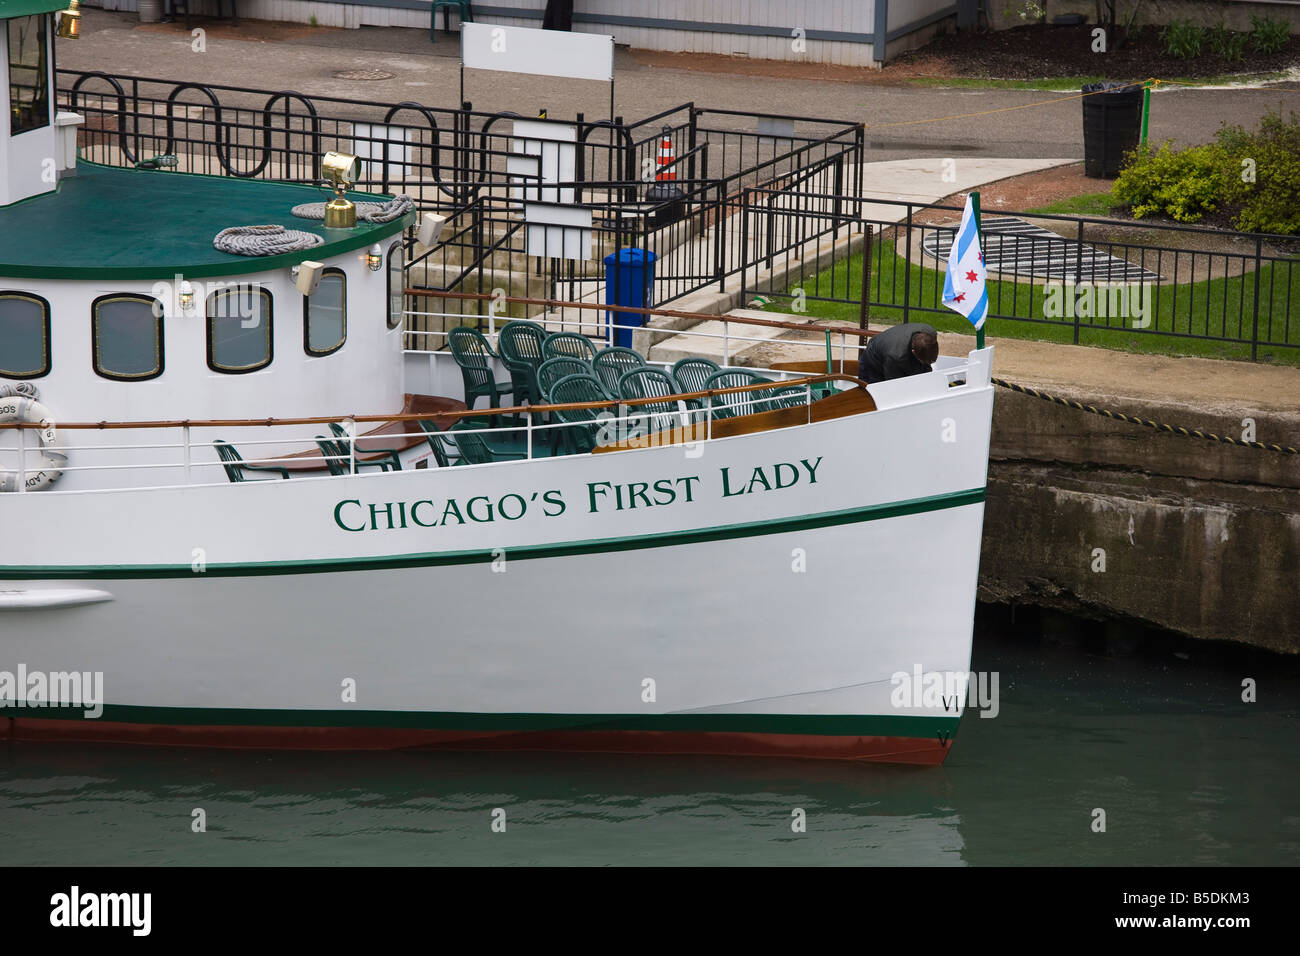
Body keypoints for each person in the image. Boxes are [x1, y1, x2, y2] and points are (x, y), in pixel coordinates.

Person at [857, 322, 939, 384]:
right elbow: (894, 386)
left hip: (892, 350)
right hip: (873, 363)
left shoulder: (930, 332)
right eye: (925, 361)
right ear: (913, 352)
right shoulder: (895, 356)